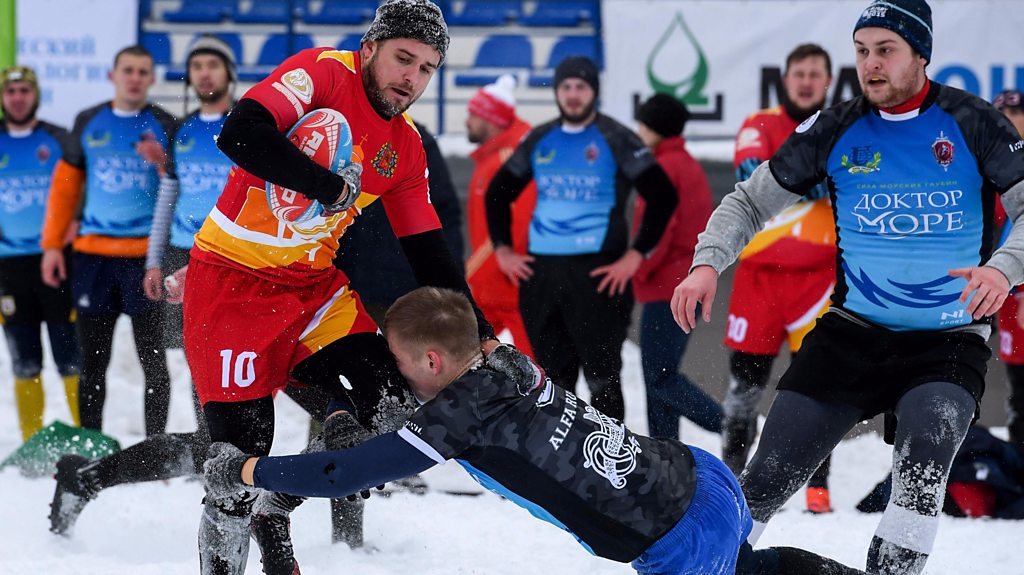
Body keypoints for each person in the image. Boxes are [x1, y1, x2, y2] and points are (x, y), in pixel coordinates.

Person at [672, 1, 1024, 573]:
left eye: (886, 50)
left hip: (947, 339)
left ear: (921, 55)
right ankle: (713, 566)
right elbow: (748, 200)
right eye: (862, 52)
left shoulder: (974, 121)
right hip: (851, 335)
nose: (870, 65)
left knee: (922, 472)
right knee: (764, 478)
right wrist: (707, 263)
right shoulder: (834, 127)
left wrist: (1002, 268)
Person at [182, 2, 531, 573]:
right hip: (231, 287)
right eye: (402, 59)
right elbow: (240, 133)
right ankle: (246, 524)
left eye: (425, 68)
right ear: (369, 48)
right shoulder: (322, 73)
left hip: (314, 291)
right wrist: (326, 185)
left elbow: (429, 254)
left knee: (389, 412)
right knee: (235, 470)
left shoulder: (408, 148)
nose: (410, 79)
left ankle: (280, 506)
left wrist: (485, 341)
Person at [203, 286, 867, 575]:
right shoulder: (504, 355)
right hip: (701, 476)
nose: (402, 379)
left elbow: (339, 473)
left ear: (433, 361)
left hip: (673, 539)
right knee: (748, 567)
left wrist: (245, 470)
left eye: (404, 365)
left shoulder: (454, 417)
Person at [45, 36, 238, 538]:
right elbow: (169, 197)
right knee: (185, 356)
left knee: (193, 360)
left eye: (212, 65)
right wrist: (157, 258)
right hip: (167, 256)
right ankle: (121, 447)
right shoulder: (183, 131)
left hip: (229, 260)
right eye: (195, 66)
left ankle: (196, 445)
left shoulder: (241, 128)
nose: (204, 75)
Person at [486, 56, 678, 421]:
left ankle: (611, 463)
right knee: (553, 381)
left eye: (581, 87)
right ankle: (564, 468)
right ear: (557, 91)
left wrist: (636, 255)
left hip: (599, 277)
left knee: (602, 377)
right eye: (566, 87)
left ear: (594, 91)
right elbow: (498, 193)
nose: (573, 95)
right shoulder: (541, 138)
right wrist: (503, 250)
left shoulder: (616, 137)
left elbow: (663, 195)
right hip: (541, 276)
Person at [720, 43, 838, 513]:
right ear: (785, 79)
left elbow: (840, 180)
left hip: (818, 281)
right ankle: (730, 482)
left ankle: (817, 486)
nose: (806, 81)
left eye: (815, 74)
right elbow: (755, 173)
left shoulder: (841, 125)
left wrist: (796, 177)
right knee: (744, 390)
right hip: (760, 281)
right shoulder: (758, 124)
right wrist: (816, 178)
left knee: (818, 390)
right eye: (799, 73)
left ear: (827, 81)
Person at [40, 45, 177, 437]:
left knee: (153, 362)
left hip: (144, 261)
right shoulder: (88, 121)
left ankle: (156, 446)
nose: (134, 77)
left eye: (142, 71)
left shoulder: (165, 124)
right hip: (92, 260)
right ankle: (91, 443)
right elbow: (64, 190)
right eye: (128, 70)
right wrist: (52, 245)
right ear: (112, 76)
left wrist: (164, 163)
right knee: (92, 363)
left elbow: (178, 187)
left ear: (151, 79)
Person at [630, 93, 719, 438]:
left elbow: (658, 228)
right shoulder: (683, 163)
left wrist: (635, 269)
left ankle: (730, 424)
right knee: (660, 377)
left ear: (656, 127)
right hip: (680, 283)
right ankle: (665, 452)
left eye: (643, 122)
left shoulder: (664, 167)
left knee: (661, 377)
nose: (638, 129)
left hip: (669, 287)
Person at [0, 65, 80, 441]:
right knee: (24, 354)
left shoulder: (59, 139)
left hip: (56, 260)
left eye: (24, 90)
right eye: (11, 90)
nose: (17, 97)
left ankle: (84, 433)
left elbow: (80, 188)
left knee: (69, 352)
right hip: (8, 266)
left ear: (35, 95)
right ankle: (32, 441)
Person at [464, 74, 536, 357]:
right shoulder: (492, 157)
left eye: (473, 114)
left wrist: (473, 269)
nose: (467, 121)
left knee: (537, 374)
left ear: (491, 119)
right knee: (467, 363)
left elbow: (519, 223)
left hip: (510, 288)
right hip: (492, 286)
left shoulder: (509, 160)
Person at [992, 89, 1024, 453]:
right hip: (1006, 290)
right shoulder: (989, 166)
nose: (1009, 118)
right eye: (1002, 112)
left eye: (1016, 111)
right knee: (1019, 385)